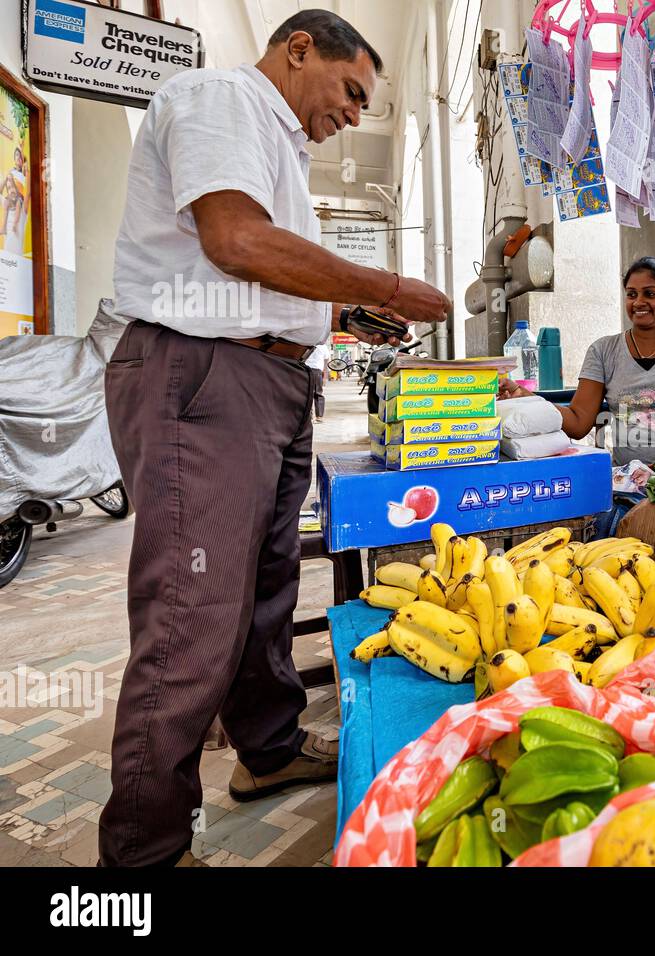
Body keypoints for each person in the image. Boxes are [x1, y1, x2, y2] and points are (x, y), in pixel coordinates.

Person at [99, 10, 451, 867]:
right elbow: (236, 243)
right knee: (192, 614)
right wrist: (391, 285)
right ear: (300, 50)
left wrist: (343, 314)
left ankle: (267, 750)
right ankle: (141, 855)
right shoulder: (221, 96)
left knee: (262, 589)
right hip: (204, 376)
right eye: (351, 92)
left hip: (269, 378)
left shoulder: (279, 146)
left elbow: (268, 268)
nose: (354, 116)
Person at [500, 257, 655, 464]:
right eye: (632, 294)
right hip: (628, 479)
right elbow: (579, 423)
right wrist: (529, 399)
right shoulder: (603, 351)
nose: (639, 302)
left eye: (650, 293)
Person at [306, 343, 327, 421]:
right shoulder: (323, 346)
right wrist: (325, 376)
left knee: (307, 394)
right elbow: (326, 361)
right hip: (317, 371)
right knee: (318, 393)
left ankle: (309, 416)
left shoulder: (306, 342)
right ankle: (319, 416)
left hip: (305, 370)